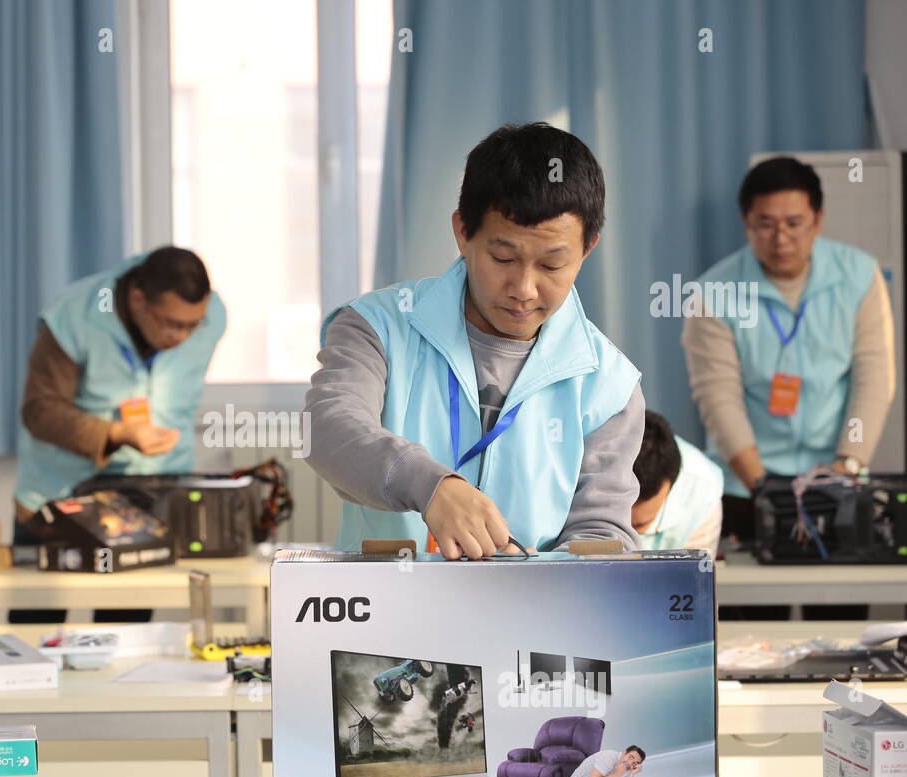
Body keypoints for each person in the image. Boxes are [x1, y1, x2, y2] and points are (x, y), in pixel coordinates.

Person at [305, 122, 644, 557]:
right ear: (463, 232)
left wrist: (530, 575)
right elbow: (327, 429)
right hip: (388, 613)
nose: (524, 288)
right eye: (503, 257)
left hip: (532, 618)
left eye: (552, 265)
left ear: (587, 250)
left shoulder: (608, 385)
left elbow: (601, 533)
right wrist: (430, 486)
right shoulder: (379, 326)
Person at [682, 156, 896, 542]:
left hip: (838, 478)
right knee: (755, 600)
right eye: (766, 224)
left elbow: (874, 378)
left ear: (817, 220)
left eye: (794, 224)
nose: (781, 239)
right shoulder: (712, 294)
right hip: (745, 486)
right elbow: (718, 398)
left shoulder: (861, 276)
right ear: (747, 223)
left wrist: (848, 466)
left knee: (838, 600)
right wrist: (763, 488)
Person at [14, 246, 226, 541]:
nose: (181, 337)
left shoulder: (213, 316)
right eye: (171, 324)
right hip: (64, 501)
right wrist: (116, 433)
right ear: (138, 299)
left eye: (192, 325)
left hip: (161, 496)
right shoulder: (73, 316)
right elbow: (40, 411)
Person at [632, 411, 724, 553]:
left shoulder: (703, 493)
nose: (625, 538)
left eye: (638, 526)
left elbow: (693, 572)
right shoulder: (589, 461)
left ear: (671, 484)